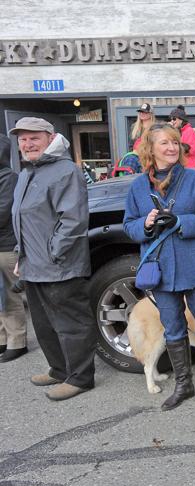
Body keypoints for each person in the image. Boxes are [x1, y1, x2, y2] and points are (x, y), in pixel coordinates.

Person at [122, 123, 195, 415]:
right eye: (165, 143)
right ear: (150, 149)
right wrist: (145, 224)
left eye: (175, 142)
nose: (172, 148)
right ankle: (184, 385)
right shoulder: (138, 187)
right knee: (172, 330)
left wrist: (181, 222)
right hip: (161, 270)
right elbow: (129, 225)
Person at [10, 117, 97, 400]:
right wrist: (21, 256)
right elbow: (26, 222)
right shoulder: (27, 172)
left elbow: (72, 221)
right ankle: (60, 370)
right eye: (23, 139)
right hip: (33, 266)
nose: (27, 144)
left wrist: (52, 254)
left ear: (50, 138)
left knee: (71, 324)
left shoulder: (65, 171)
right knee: (44, 325)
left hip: (60, 267)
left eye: (34, 137)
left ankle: (81, 378)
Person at [0, 134, 27, 363]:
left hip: (6, 246)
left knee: (9, 296)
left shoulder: (9, 178)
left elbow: (3, 212)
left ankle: (17, 341)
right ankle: (2, 338)